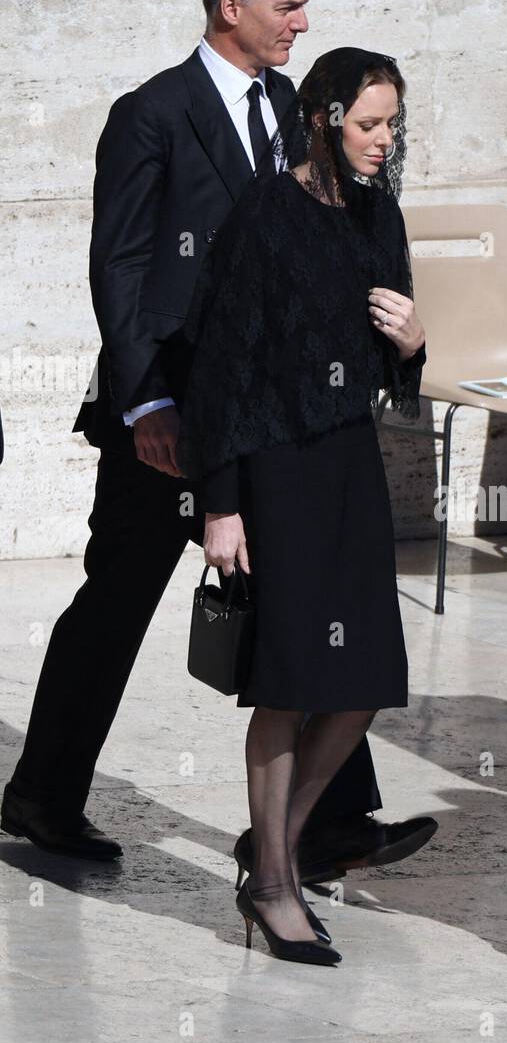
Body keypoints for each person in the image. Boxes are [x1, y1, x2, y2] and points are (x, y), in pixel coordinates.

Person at [0, 0, 436, 884]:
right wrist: (147, 397)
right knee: (118, 597)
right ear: (229, 7)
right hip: (169, 413)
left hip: (269, 421)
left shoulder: (296, 108)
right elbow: (117, 267)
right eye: (287, 6)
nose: (303, 22)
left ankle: (325, 823)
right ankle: (44, 792)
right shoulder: (151, 113)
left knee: (303, 606)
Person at [177, 47, 425, 965]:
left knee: (361, 679)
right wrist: (221, 507)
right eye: (369, 124)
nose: (383, 141)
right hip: (274, 471)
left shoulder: (377, 213)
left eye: (392, 124)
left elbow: (395, 363)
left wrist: (415, 341)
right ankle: (275, 886)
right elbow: (221, 375)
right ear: (323, 119)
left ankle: (275, 846)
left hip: (351, 462)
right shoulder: (264, 217)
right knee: (285, 684)